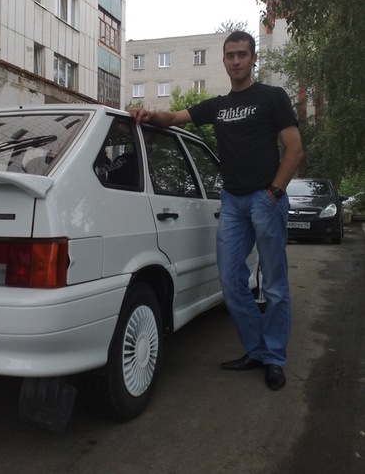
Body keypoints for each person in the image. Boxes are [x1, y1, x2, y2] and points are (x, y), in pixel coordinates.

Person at [130, 30, 304, 391]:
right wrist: (147, 114)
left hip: (266, 200)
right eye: (230, 55)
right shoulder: (217, 106)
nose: (236, 61)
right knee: (230, 281)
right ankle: (256, 350)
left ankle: (274, 358)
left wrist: (273, 193)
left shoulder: (272, 97)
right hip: (233, 203)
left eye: (242, 54)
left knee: (274, 285)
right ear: (223, 60)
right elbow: (172, 118)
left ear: (253, 58)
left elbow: (294, 149)